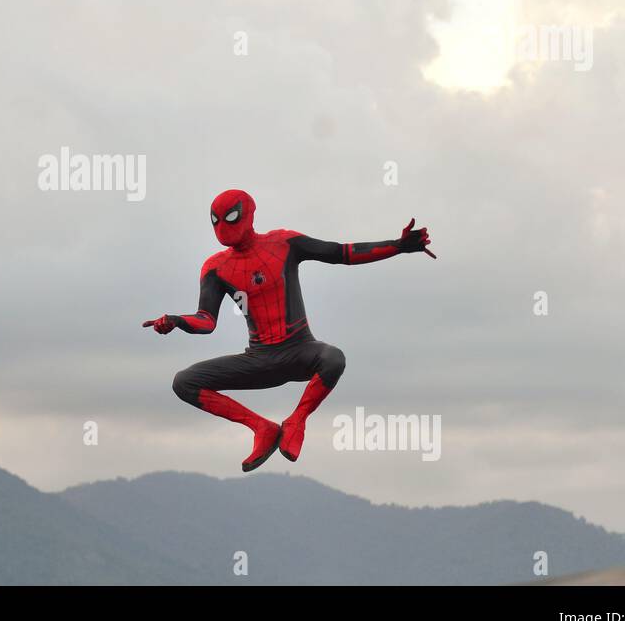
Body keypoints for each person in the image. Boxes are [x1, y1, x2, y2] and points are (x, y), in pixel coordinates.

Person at [143, 189, 434, 472]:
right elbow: (206, 320)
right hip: (259, 359)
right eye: (216, 220)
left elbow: (342, 253)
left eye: (231, 218)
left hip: (300, 351)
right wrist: (176, 320)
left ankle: (297, 420)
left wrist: (399, 245)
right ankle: (262, 428)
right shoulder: (216, 268)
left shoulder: (284, 243)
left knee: (334, 358)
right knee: (184, 382)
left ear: (249, 214)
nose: (223, 227)